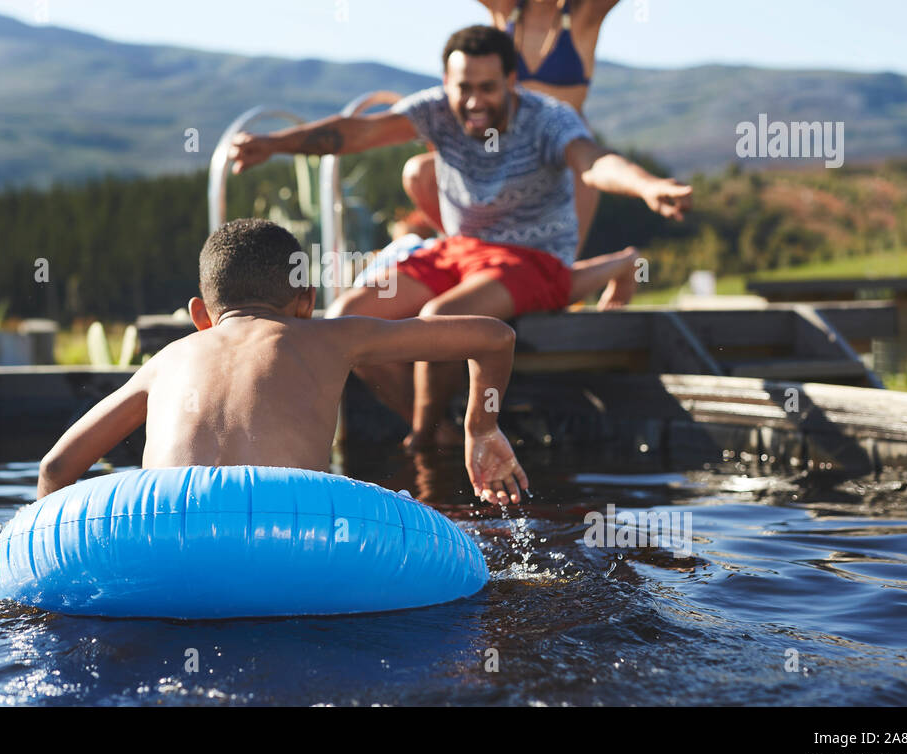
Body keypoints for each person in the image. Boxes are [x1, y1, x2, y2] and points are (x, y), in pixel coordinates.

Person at [226, 26, 690, 446]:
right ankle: (438, 432)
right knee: (347, 316)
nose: (473, 101)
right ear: (447, 82)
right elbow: (359, 132)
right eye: (463, 87)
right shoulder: (435, 110)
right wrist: (276, 143)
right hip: (458, 249)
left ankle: (423, 446)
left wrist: (649, 186)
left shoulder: (549, 118)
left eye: (487, 88)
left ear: (511, 81)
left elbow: (593, 161)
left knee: (441, 316)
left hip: (531, 255)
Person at [36, 218, 530, 504]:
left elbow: (56, 468)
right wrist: (480, 428)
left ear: (199, 315)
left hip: (163, 539)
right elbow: (494, 338)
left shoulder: (166, 361)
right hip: (285, 538)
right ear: (306, 301)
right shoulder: (332, 337)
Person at [386, 0, 653, 306]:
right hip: (498, 159)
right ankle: (470, 257)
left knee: (553, 278)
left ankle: (621, 266)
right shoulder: (502, 9)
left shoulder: (585, 16)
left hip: (562, 164)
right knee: (418, 173)